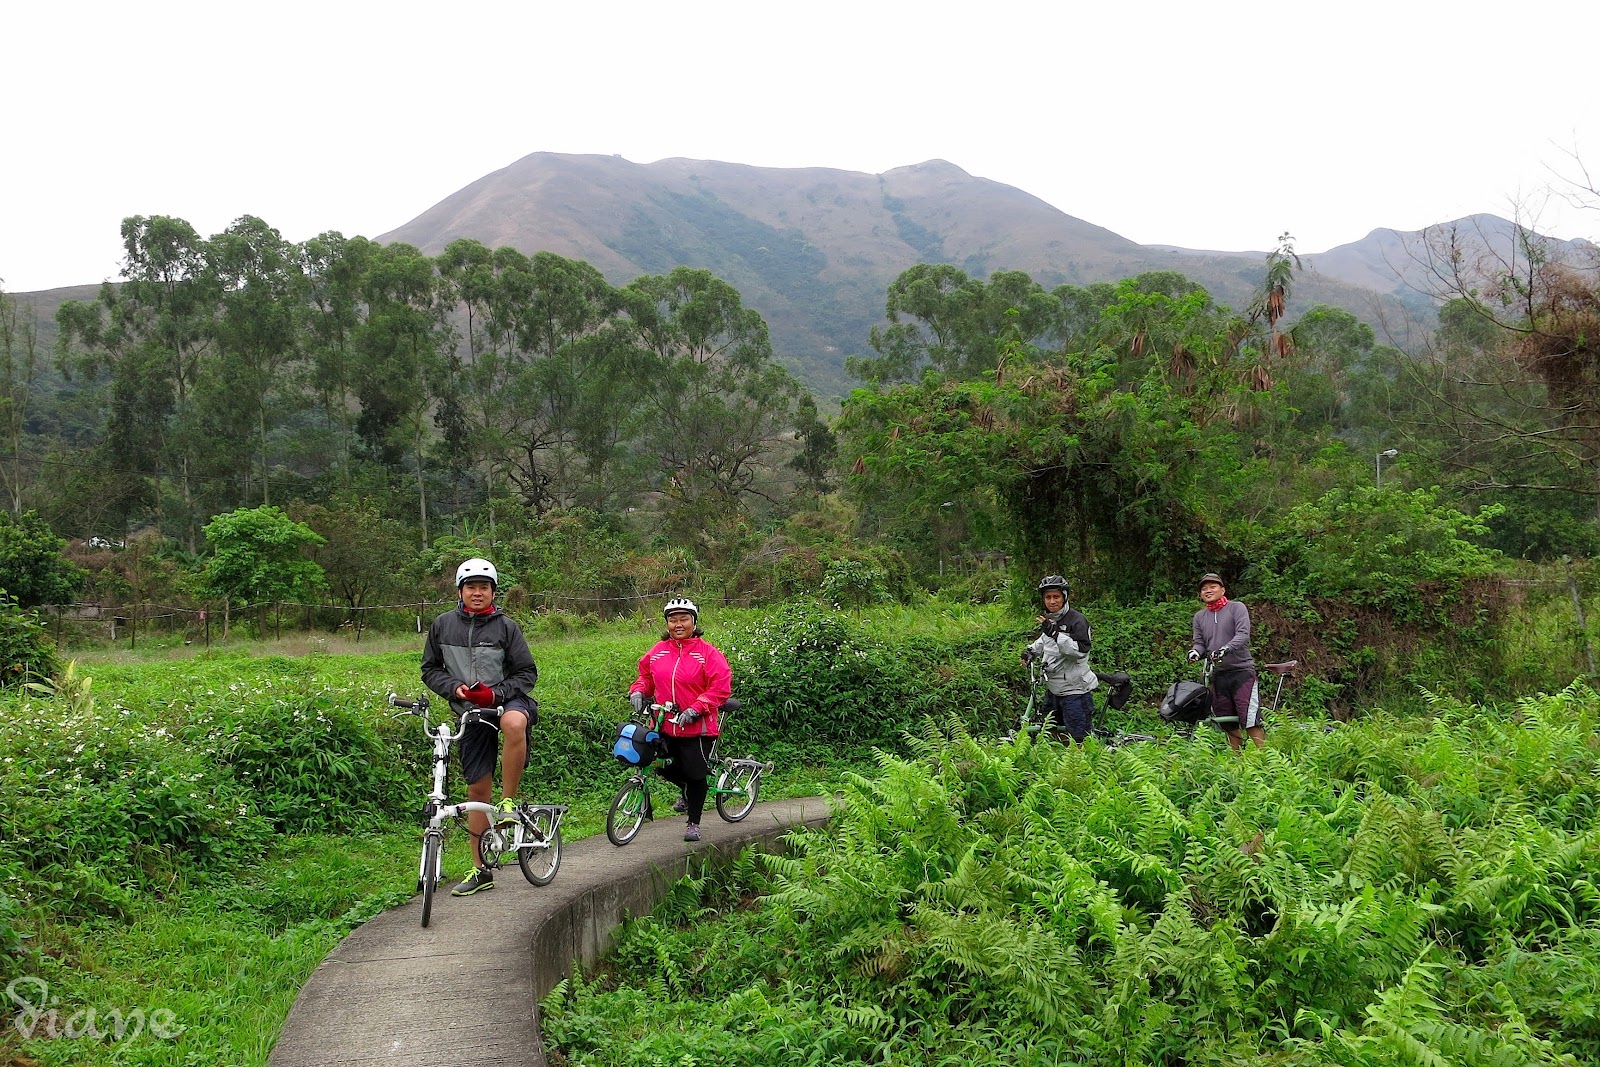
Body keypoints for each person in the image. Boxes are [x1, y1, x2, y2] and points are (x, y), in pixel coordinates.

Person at [421, 557, 539, 896]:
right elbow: (430, 669)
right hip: (471, 710)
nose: (477, 593)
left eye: (483, 587)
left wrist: (497, 693)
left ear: (493, 592)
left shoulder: (507, 627)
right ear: (460, 590)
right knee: (475, 793)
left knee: (514, 722)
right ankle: (480, 870)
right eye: (471, 587)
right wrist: (453, 687)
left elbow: (527, 674)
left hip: (506, 701)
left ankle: (508, 802)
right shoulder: (442, 625)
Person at [628, 596, 732, 842]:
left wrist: (697, 708)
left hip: (697, 728)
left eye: (684, 619)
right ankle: (686, 791)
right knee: (661, 766)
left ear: (693, 623)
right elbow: (646, 677)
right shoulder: (657, 651)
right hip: (664, 723)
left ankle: (693, 822)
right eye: (672, 620)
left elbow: (720, 687)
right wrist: (638, 690)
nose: (678, 624)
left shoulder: (707, 653)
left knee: (696, 775)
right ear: (667, 624)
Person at [1188, 571, 1263, 750]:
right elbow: (1199, 642)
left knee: (1250, 718)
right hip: (1218, 675)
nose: (1208, 591)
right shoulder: (1199, 617)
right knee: (1226, 721)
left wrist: (1225, 649)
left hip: (1241, 672)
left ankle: (1266, 760)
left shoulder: (1237, 608)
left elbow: (1243, 635)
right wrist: (1195, 652)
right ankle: (1237, 761)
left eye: (1212, 587)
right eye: (1204, 589)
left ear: (1222, 590)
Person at [1020, 575, 1099, 742]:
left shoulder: (1077, 621)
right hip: (1054, 689)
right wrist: (1030, 652)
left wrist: (1056, 634)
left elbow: (1080, 651)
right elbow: (1044, 642)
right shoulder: (1050, 619)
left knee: (1079, 738)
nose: (1052, 601)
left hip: (1075, 690)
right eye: (1048, 597)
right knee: (1052, 730)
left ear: (1064, 597)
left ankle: (1081, 766)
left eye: (1056, 596)